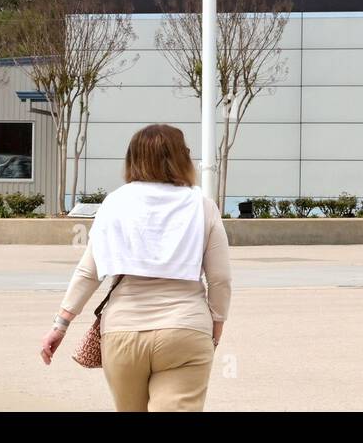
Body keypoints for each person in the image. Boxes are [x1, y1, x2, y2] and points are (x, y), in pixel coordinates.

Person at [40, 123, 232, 412]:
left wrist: (60, 325)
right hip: (185, 329)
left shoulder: (114, 203)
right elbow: (220, 279)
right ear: (181, 157)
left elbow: (88, 272)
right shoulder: (202, 205)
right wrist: (215, 327)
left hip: (122, 332)